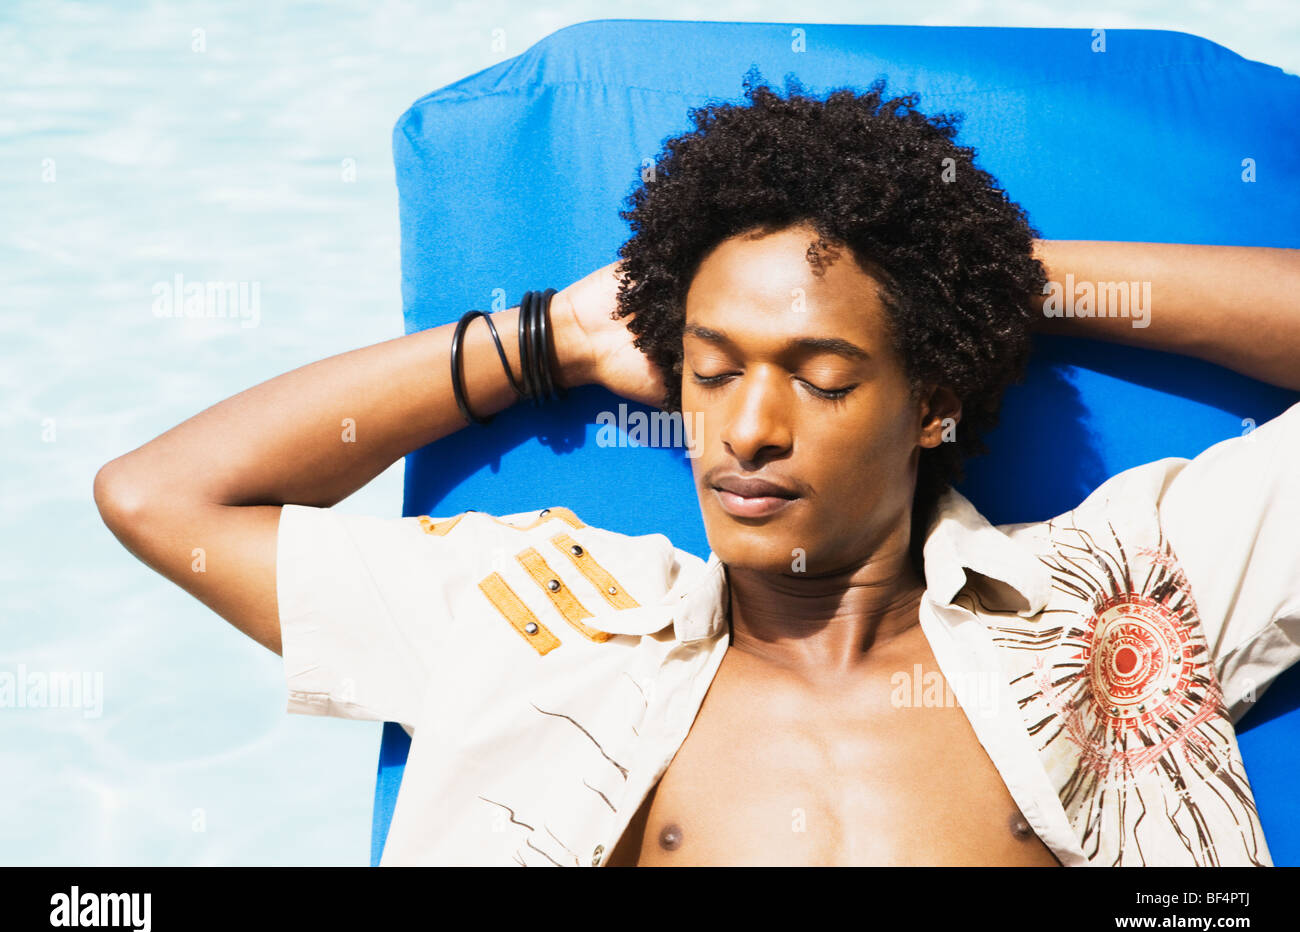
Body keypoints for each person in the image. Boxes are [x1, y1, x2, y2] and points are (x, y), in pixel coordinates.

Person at [94, 75, 1300, 866]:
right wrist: (547, 339)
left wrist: (985, 271)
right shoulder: (543, 614)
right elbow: (161, 498)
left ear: (931, 398)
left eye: (821, 375)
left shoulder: (1130, 587)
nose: (747, 430)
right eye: (711, 370)